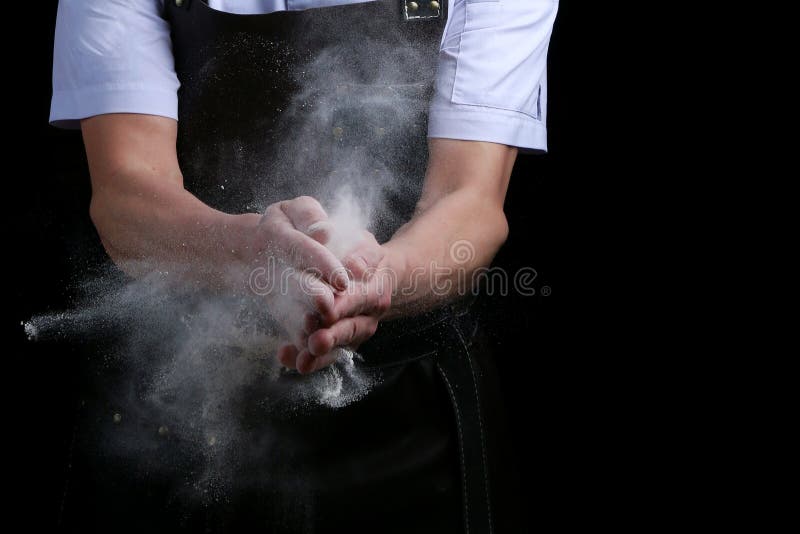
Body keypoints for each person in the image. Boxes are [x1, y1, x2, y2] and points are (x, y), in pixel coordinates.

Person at [50, 0, 558, 532]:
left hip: (414, 428)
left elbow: (469, 198)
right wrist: (249, 252)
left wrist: (378, 277)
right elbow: (126, 194)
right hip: (179, 415)